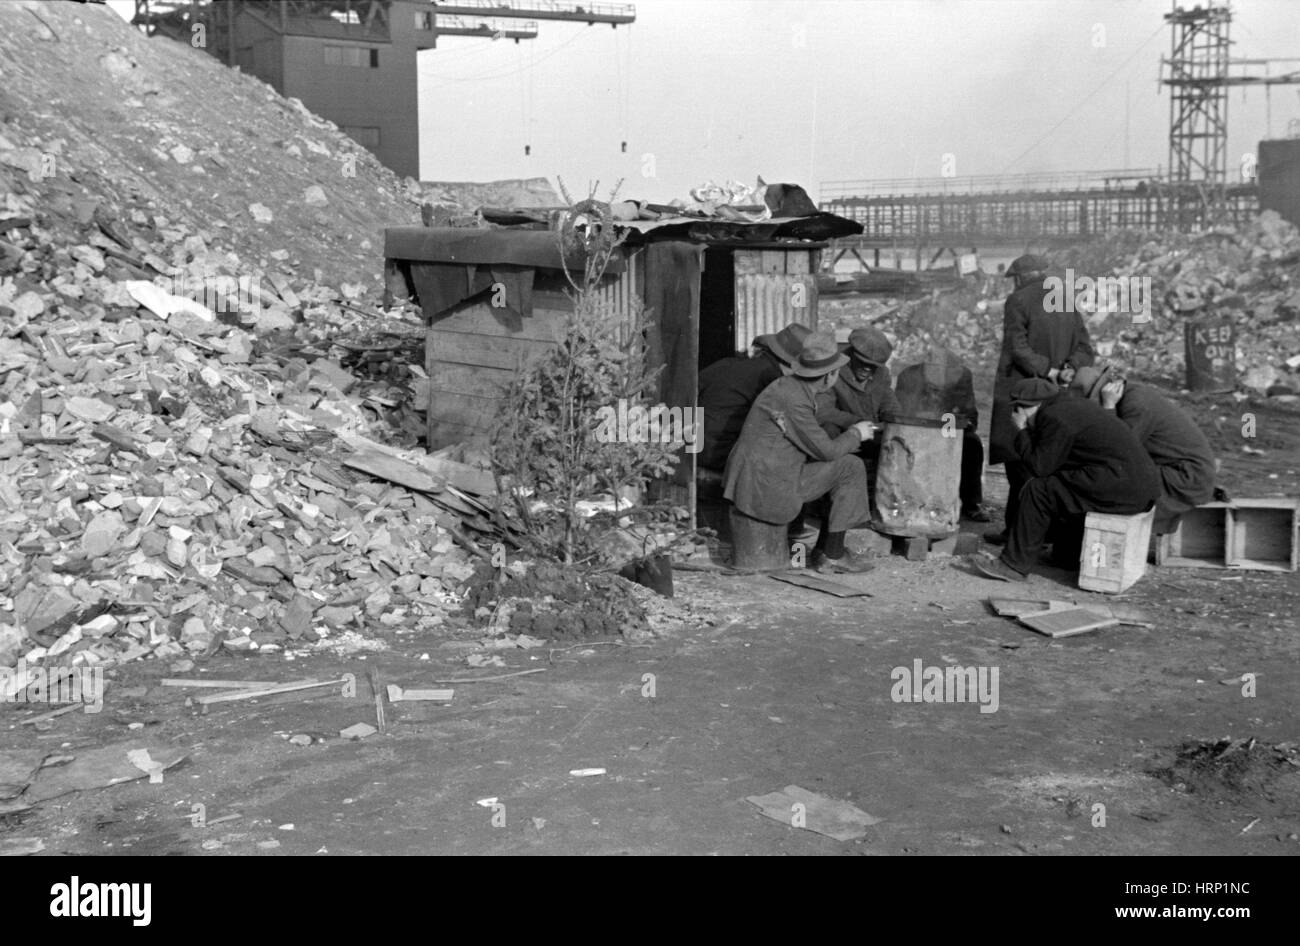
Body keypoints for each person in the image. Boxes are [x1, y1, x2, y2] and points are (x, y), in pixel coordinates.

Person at [976, 377, 1161, 583]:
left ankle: (1013, 565)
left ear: (1031, 406)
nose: (1015, 414)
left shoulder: (1055, 417)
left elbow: (1039, 467)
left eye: (1018, 409)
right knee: (1064, 486)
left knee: (1039, 490)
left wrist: (1022, 431)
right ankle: (1066, 557)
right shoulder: (1071, 405)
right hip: (1136, 486)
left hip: (1123, 487)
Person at [724, 332, 877, 574]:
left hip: (758, 477)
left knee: (841, 464)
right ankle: (832, 555)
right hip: (766, 485)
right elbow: (827, 451)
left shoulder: (788, 387)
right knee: (850, 467)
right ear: (830, 375)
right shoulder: (794, 400)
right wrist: (857, 433)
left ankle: (826, 551)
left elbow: (812, 428)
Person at [988, 254, 1095, 545]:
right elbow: (1086, 347)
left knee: (1019, 460)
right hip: (1059, 393)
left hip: (1026, 389)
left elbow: (1017, 347)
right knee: (1050, 457)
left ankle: (1017, 533)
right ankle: (1048, 531)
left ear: (1021, 277)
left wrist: (1047, 369)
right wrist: (1069, 370)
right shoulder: (1064, 298)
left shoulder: (1018, 300)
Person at [1069, 365, 1216, 535]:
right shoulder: (1131, 394)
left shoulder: (1135, 405)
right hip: (1176, 470)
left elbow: (1116, 452)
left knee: (1109, 487)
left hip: (1187, 478)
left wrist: (1108, 407)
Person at [696, 323, 810, 471]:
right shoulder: (775, 382)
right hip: (722, 456)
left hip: (690, 448)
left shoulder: (726, 363)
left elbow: (689, 393)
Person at [894, 346, 989, 521]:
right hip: (917, 429)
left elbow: (969, 415)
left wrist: (945, 420)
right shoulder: (909, 376)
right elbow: (901, 412)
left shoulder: (962, 375)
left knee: (972, 444)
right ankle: (907, 500)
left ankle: (971, 503)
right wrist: (923, 417)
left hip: (949, 429)